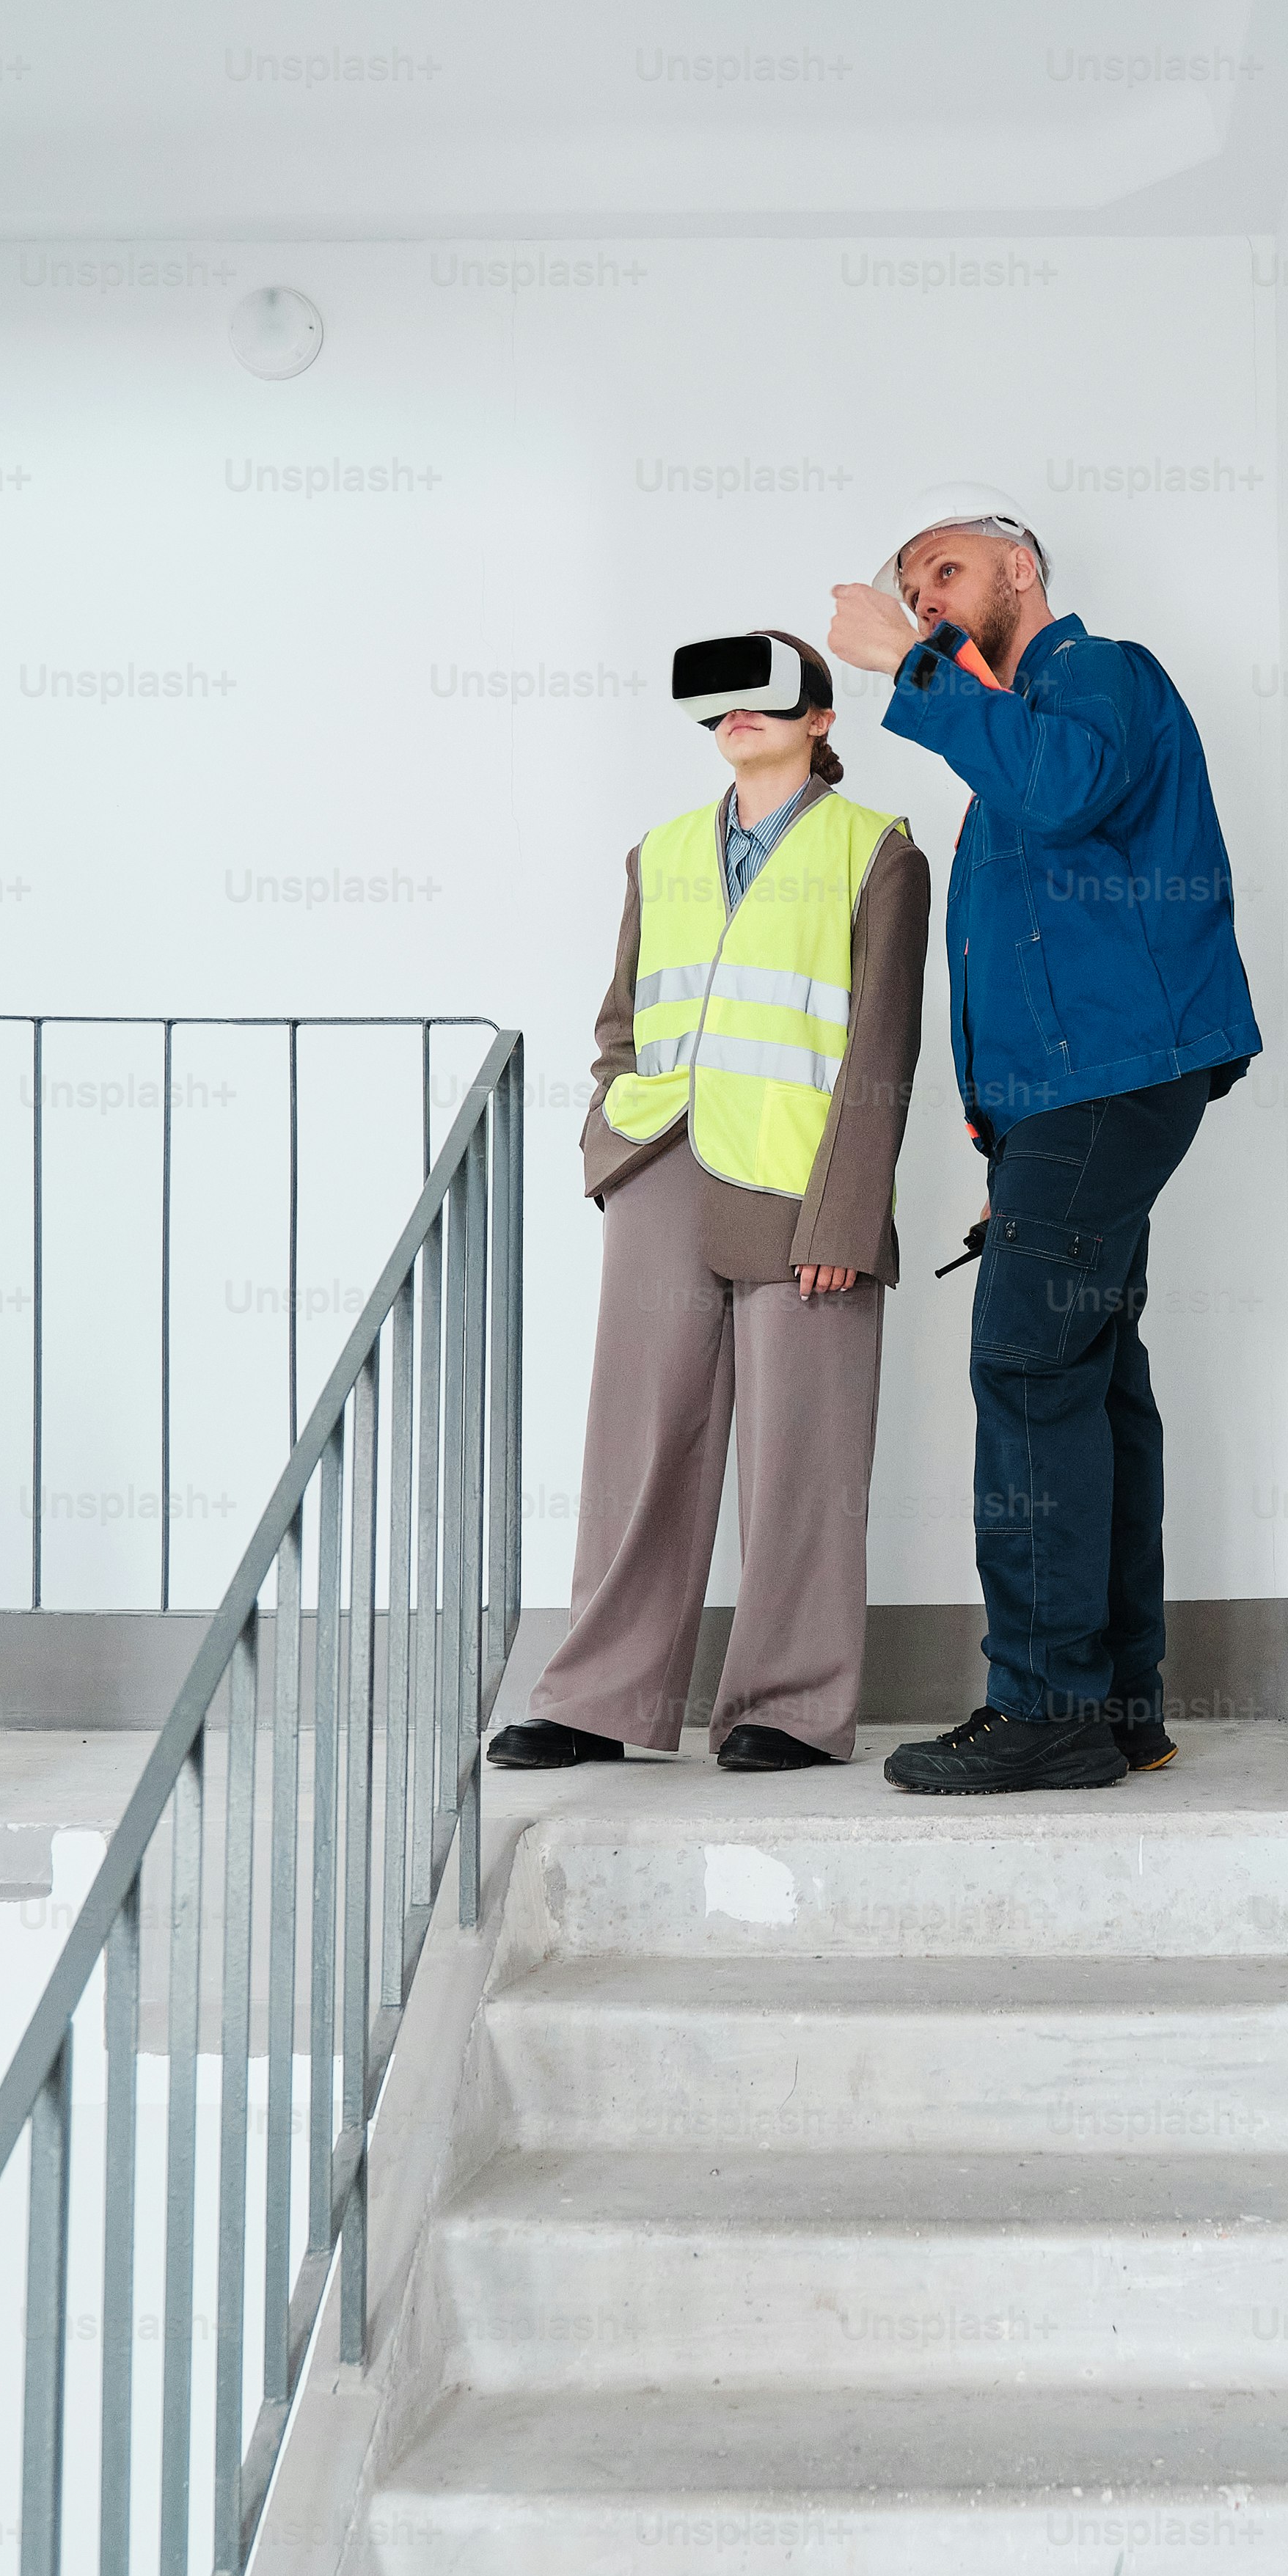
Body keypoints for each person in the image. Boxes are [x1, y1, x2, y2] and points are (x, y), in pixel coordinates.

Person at [823, 500, 1261, 1793]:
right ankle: (1118, 1707)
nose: (927, 598)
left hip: (1117, 1079)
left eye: (945, 571)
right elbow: (1021, 954)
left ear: (1020, 570)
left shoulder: (1100, 676)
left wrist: (906, 667)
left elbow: (1065, 792)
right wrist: (1004, 1149)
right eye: (914, 591)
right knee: (1092, 1376)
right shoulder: (1010, 749)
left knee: (1025, 1364)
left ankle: (1045, 1705)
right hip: (1070, 1106)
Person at [486, 629, 930, 1774]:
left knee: (803, 1453)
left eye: (767, 696)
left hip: (799, 1180)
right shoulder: (665, 851)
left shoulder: (876, 851)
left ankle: (792, 1703)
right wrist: (611, 1139)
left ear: (821, 721)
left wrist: (847, 1215)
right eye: (724, 699)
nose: (741, 711)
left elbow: (883, 1046)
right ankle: (598, 1699)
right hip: (662, 1163)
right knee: (638, 1444)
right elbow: (621, 1019)